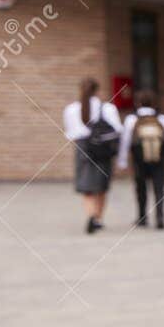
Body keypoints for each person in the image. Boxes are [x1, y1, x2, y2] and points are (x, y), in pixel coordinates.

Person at [62, 78, 122, 234]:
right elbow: (117, 129)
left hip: (83, 149)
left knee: (87, 188)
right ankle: (98, 218)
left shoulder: (71, 109)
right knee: (102, 186)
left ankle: (91, 216)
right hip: (103, 149)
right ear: (97, 90)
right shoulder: (107, 108)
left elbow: (71, 134)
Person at [116, 90, 164, 230]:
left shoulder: (131, 119)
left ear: (137, 102)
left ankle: (142, 217)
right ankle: (160, 217)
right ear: (153, 102)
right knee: (159, 188)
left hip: (139, 159)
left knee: (141, 187)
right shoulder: (161, 118)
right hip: (158, 158)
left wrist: (122, 161)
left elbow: (125, 141)